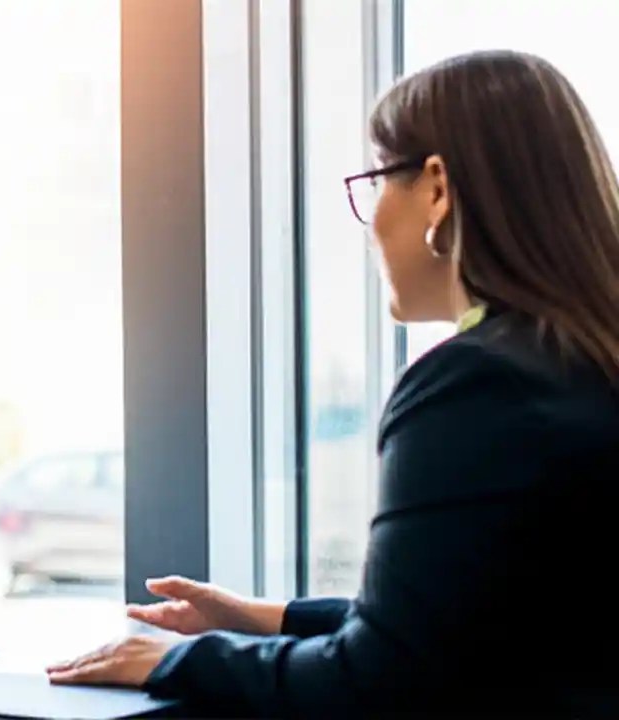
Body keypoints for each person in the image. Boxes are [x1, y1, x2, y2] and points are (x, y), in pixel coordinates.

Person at [46, 50, 619, 716]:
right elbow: (486, 624)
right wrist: (265, 616)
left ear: (437, 188)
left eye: (376, 183)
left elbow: (378, 677)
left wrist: (174, 661)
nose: (371, 223)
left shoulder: (477, 382)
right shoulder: (584, 365)